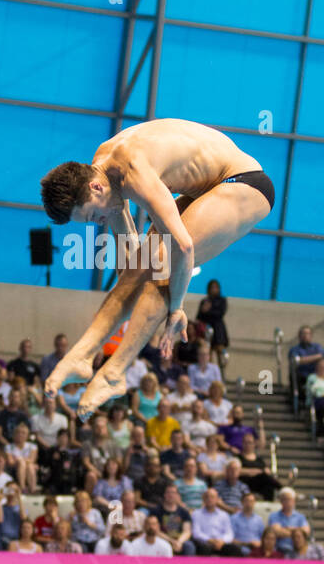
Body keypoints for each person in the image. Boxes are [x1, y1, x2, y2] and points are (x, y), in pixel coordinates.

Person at [40, 120, 274, 417]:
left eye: (91, 216)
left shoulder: (133, 172)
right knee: (135, 275)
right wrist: (132, 280)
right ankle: (79, 356)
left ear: (94, 187)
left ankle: (115, 373)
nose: (97, 222)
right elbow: (129, 256)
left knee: (163, 267)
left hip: (244, 183)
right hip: (207, 187)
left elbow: (184, 247)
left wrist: (175, 306)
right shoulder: (102, 168)